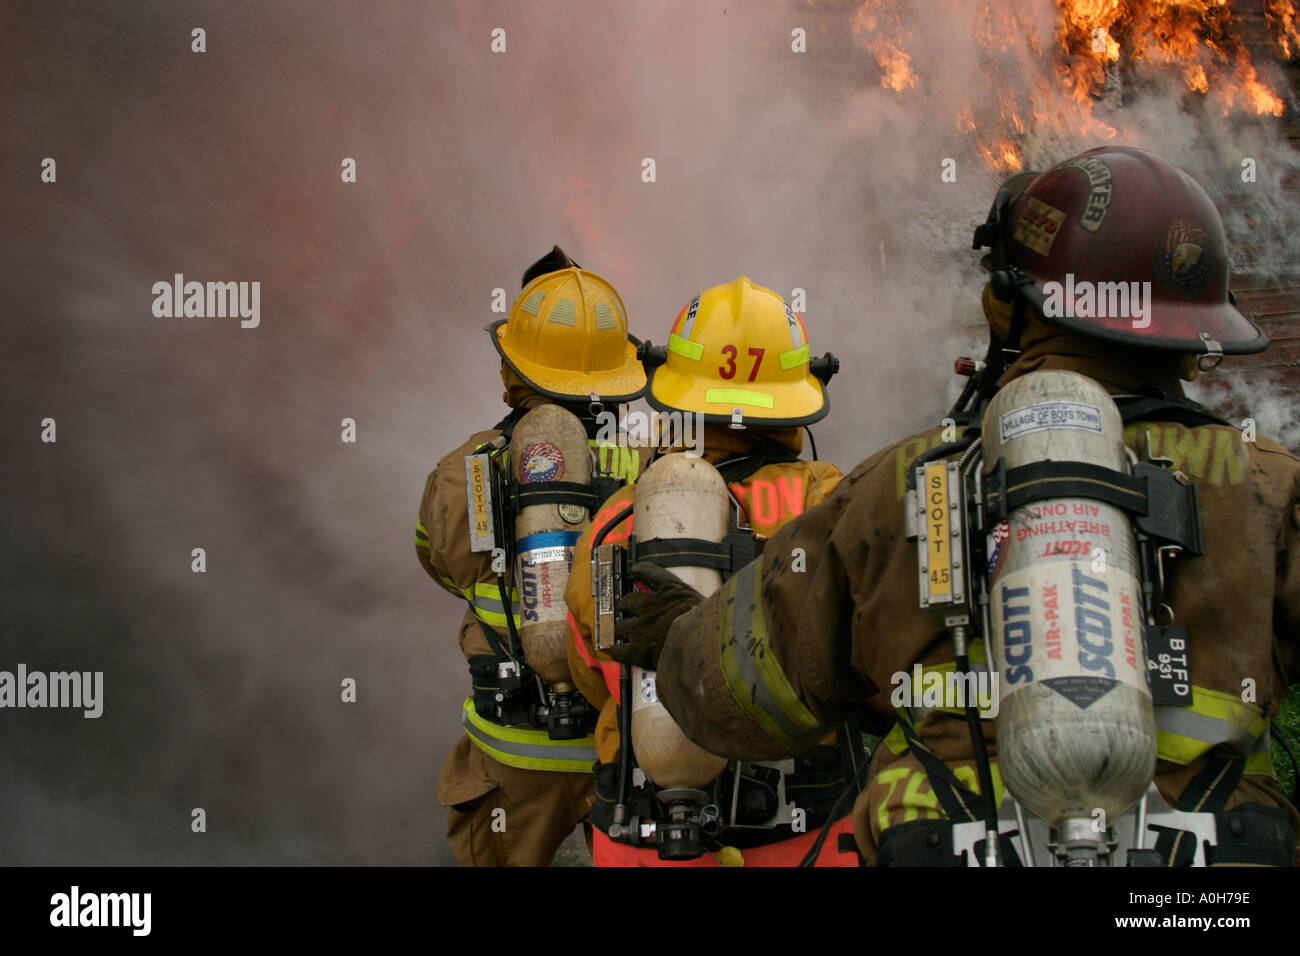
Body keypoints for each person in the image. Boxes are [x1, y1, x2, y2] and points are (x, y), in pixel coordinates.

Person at [614, 147, 1300, 866]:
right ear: (1195, 338)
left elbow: (745, 699)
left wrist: (679, 640)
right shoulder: (1270, 490)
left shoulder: (896, 487)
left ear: (1009, 301)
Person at [564, 275, 864, 866]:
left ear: (675, 389)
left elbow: (590, 669)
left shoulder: (617, 519)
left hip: (642, 836)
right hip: (806, 835)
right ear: (801, 394)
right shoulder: (833, 502)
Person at [416, 247, 647, 865]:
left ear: (512, 370)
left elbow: (442, 565)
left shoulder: (467, 467)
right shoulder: (656, 470)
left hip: (513, 755)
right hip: (624, 747)